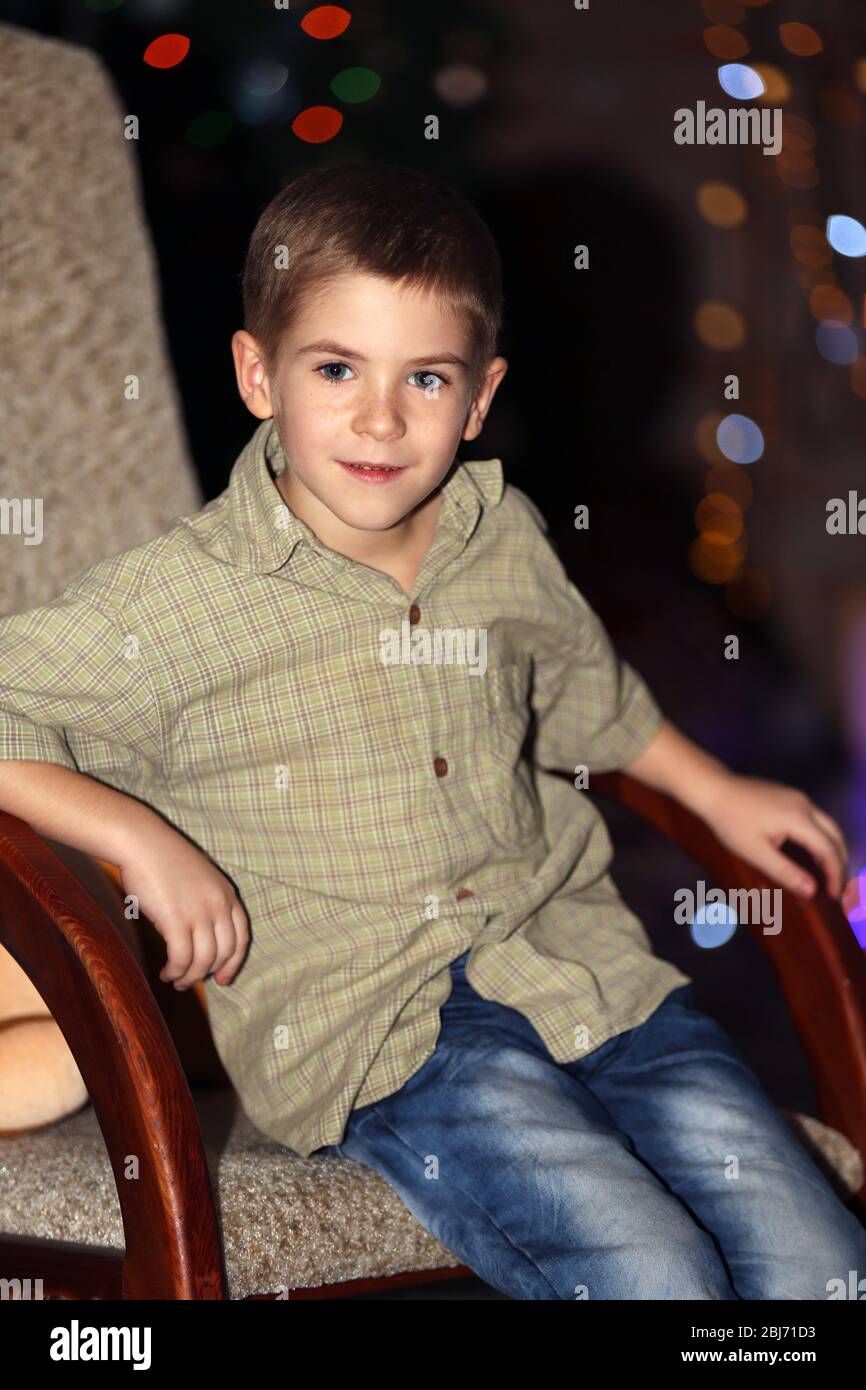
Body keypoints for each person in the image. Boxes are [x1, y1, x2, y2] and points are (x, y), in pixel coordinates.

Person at [0, 163, 863, 1300]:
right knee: (651, 1271)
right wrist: (139, 837)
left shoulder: (501, 537)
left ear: (480, 397)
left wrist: (712, 790)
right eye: (336, 369)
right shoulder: (176, 602)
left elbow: (582, 689)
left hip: (587, 978)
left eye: (425, 378)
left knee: (820, 1265)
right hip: (387, 1037)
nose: (381, 418)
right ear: (257, 375)